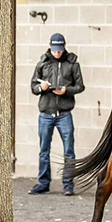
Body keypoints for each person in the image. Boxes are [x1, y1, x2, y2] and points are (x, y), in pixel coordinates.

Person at [29, 33, 85, 196]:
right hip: (46, 113)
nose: (57, 53)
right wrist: (42, 88)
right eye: (55, 50)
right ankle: (43, 183)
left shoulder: (72, 63)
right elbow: (34, 86)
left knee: (69, 150)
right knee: (44, 150)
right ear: (50, 47)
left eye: (60, 50)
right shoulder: (43, 63)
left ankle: (68, 184)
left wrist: (66, 91)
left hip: (64, 114)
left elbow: (80, 86)